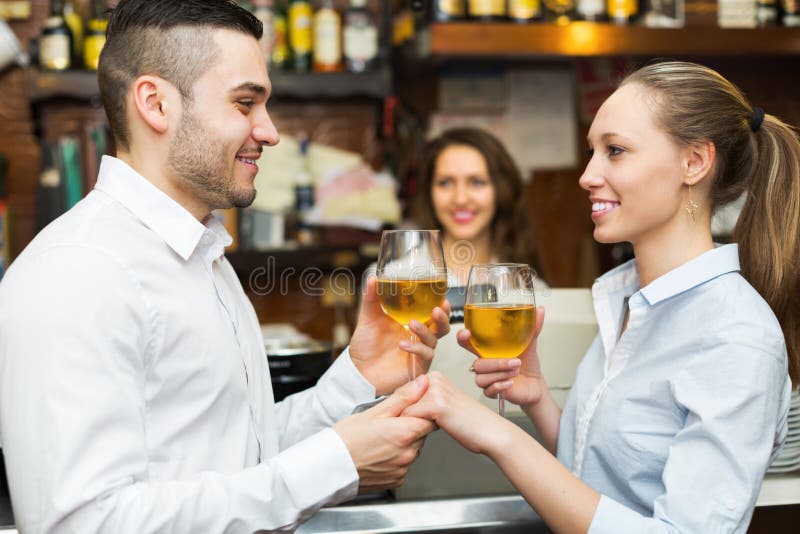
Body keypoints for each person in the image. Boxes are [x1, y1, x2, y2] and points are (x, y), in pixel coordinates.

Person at [0, 1, 450, 532]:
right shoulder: (76, 272)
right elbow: (83, 523)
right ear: (156, 104)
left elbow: (238, 448)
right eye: (245, 103)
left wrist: (357, 377)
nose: (269, 131)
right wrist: (334, 464)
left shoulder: (203, 256)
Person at [404, 60, 798, 533]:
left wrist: (500, 437)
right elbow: (601, 480)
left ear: (694, 163)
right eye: (593, 151)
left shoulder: (736, 337)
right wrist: (537, 401)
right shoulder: (630, 302)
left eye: (615, 151)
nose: (587, 175)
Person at [412, 127, 543, 287]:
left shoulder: (529, 290)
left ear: (502, 190)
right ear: (429, 191)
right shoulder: (389, 281)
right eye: (445, 182)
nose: (460, 199)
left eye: (477, 182)